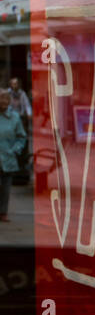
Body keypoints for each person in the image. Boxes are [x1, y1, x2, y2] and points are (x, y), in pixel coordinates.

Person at [0, 90, 27, 222]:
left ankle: (3, 213)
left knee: (5, 189)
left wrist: (15, 150)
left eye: (6, 99)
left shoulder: (15, 117)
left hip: (8, 158)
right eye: (1, 99)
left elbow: (21, 137)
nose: (3, 102)